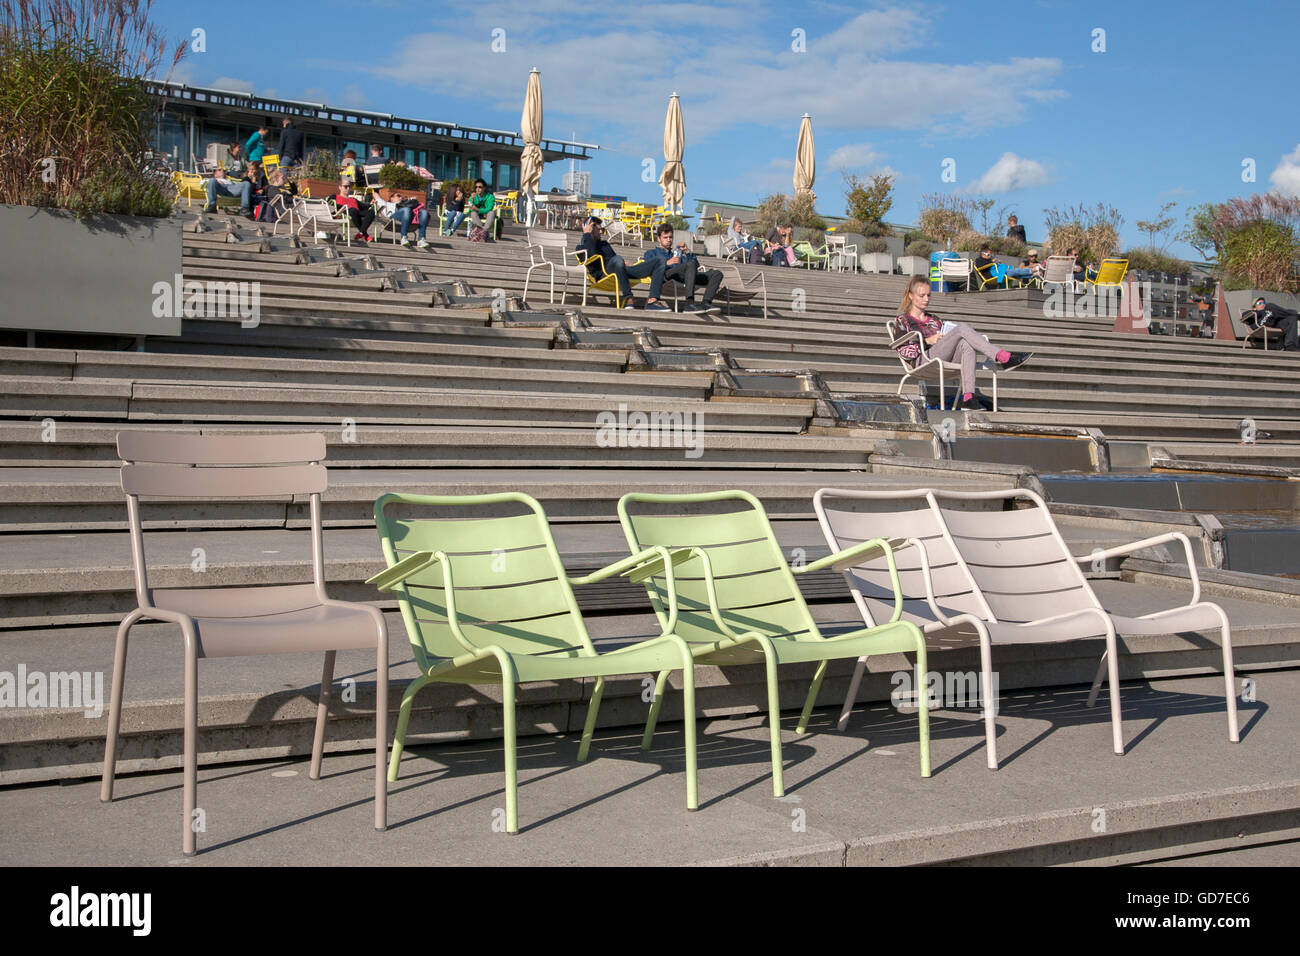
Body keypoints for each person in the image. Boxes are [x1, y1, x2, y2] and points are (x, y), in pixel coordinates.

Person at [894, 275, 1032, 410]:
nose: (926, 299)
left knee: (966, 344)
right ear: (911, 295)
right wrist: (926, 341)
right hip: (923, 360)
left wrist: (944, 338)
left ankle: (968, 397)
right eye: (922, 295)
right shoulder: (902, 320)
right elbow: (903, 351)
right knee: (962, 328)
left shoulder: (934, 319)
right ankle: (1003, 357)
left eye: (929, 295)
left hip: (943, 357)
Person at [576, 216, 668, 310]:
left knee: (660, 260)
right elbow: (592, 255)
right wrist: (587, 234)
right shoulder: (581, 246)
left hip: (620, 271)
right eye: (598, 229)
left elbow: (614, 259)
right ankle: (628, 297)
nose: (601, 232)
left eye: (602, 229)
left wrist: (622, 263)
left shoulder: (604, 244)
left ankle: (652, 301)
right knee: (617, 259)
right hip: (604, 275)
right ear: (590, 229)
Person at [643, 222, 722, 313]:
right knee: (689, 265)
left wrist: (687, 252)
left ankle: (706, 303)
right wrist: (667, 263)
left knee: (716, 274)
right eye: (665, 237)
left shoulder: (676, 254)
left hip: (684, 277)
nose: (668, 240)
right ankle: (689, 303)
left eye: (670, 237)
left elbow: (695, 265)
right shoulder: (651, 253)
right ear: (658, 239)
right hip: (666, 276)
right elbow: (648, 268)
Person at [203, 148, 251, 215]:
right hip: (220, 188)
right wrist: (216, 182)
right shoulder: (213, 180)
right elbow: (203, 183)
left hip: (231, 188)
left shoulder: (229, 178)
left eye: (222, 169)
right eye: (219, 170)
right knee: (211, 181)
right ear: (215, 174)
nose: (222, 170)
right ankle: (212, 206)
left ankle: (244, 208)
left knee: (246, 183)